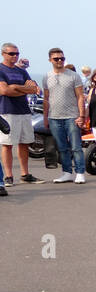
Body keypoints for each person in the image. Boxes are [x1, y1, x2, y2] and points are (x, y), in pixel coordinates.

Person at [43, 47, 88, 184]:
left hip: (72, 116)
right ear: (50, 60)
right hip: (54, 117)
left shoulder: (73, 76)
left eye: (62, 58)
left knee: (76, 147)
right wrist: (45, 117)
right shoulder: (47, 76)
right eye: (56, 59)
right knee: (62, 148)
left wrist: (81, 116)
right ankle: (67, 172)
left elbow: (80, 96)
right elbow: (46, 98)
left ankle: (80, 172)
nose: (59, 61)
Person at [0, 42, 41, 186]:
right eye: (11, 54)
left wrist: (15, 87)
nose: (15, 56)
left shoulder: (21, 71)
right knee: (8, 144)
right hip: (7, 111)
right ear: (3, 54)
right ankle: (8, 176)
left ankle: (25, 174)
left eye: (17, 53)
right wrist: (24, 89)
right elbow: (4, 91)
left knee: (24, 143)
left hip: (23, 111)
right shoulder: (1, 70)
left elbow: (35, 89)